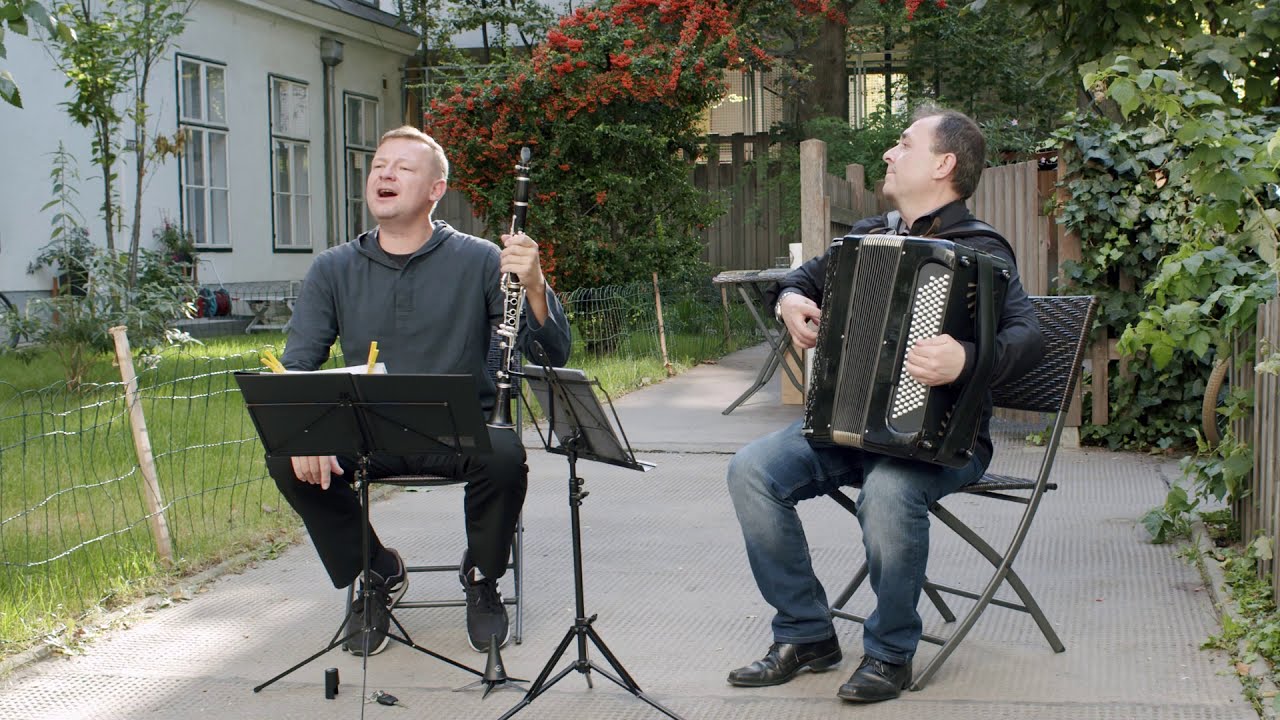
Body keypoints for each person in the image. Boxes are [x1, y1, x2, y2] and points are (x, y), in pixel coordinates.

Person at [725, 105, 1043, 704]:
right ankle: (807, 632)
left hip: (942, 440)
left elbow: (1029, 340)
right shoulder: (871, 235)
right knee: (750, 471)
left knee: (891, 491)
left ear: (944, 164)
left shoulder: (981, 250)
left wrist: (966, 360)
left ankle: (891, 652)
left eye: (904, 144)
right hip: (848, 429)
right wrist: (790, 300)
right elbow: (799, 279)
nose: (890, 154)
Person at [268, 126, 572, 657]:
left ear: (435, 189)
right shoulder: (332, 268)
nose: (384, 174)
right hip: (366, 432)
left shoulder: (481, 260)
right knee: (287, 456)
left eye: (403, 168)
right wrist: (304, 433)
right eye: (379, 165)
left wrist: (536, 283)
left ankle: (482, 576)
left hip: (462, 429)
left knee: (503, 455)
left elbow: (555, 352)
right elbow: (298, 366)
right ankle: (376, 570)